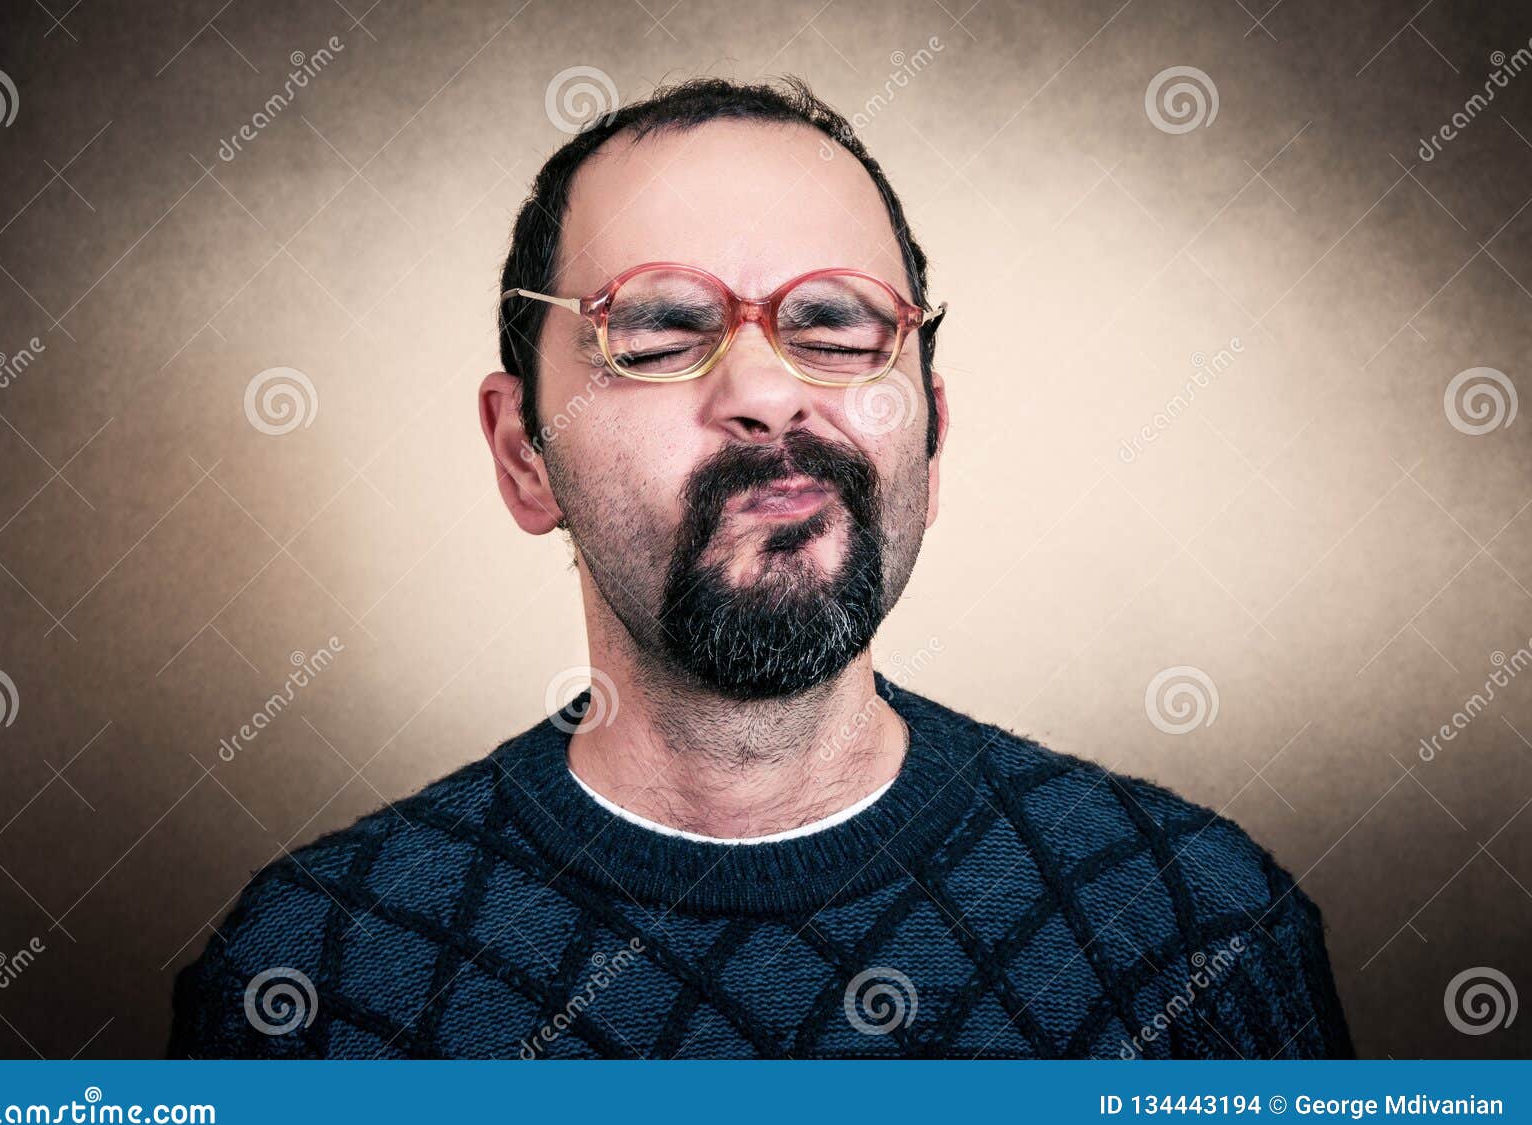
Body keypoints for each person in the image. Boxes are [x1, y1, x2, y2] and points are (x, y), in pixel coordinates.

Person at [169, 76, 1354, 1059]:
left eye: (837, 325)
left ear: (929, 439)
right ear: (524, 453)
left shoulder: (1197, 928)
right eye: (659, 332)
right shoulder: (315, 970)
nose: (766, 391)